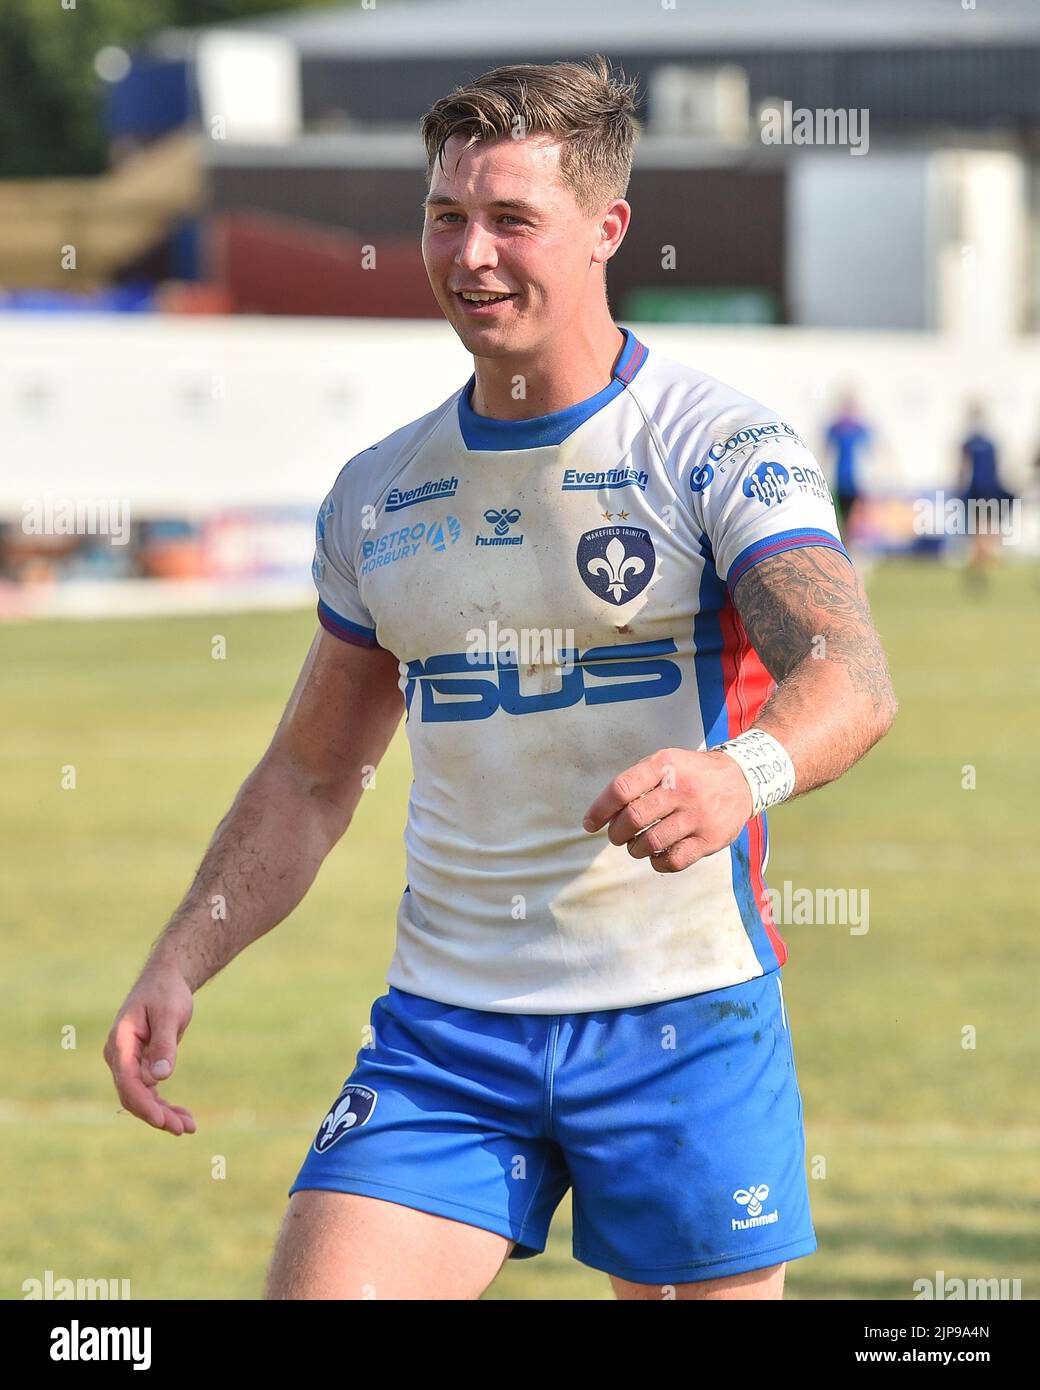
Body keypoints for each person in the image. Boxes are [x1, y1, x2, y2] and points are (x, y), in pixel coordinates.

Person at [103, 56, 897, 1302]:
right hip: (448, 1033)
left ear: (605, 229)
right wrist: (179, 958)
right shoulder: (377, 491)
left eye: (510, 219)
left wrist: (738, 774)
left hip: (680, 1018)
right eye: (444, 215)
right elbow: (313, 775)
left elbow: (849, 672)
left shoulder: (716, 445)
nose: (469, 255)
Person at [959, 403, 1010, 585]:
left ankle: (984, 554)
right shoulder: (987, 443)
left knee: (982, 521)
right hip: (986, 486)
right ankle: (984, 554)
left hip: (979, 487)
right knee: (985, 521)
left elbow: (964, 468)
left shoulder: (972, 443)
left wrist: (960, 485)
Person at [824, 393, 872, 539]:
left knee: (854, 516)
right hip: (841, 478)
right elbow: (827, 451)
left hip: (855, 479)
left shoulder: (858, 427)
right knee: (844, 517)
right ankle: (848, 544)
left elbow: (868, 452)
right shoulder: (837, 427)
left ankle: (853, 543)